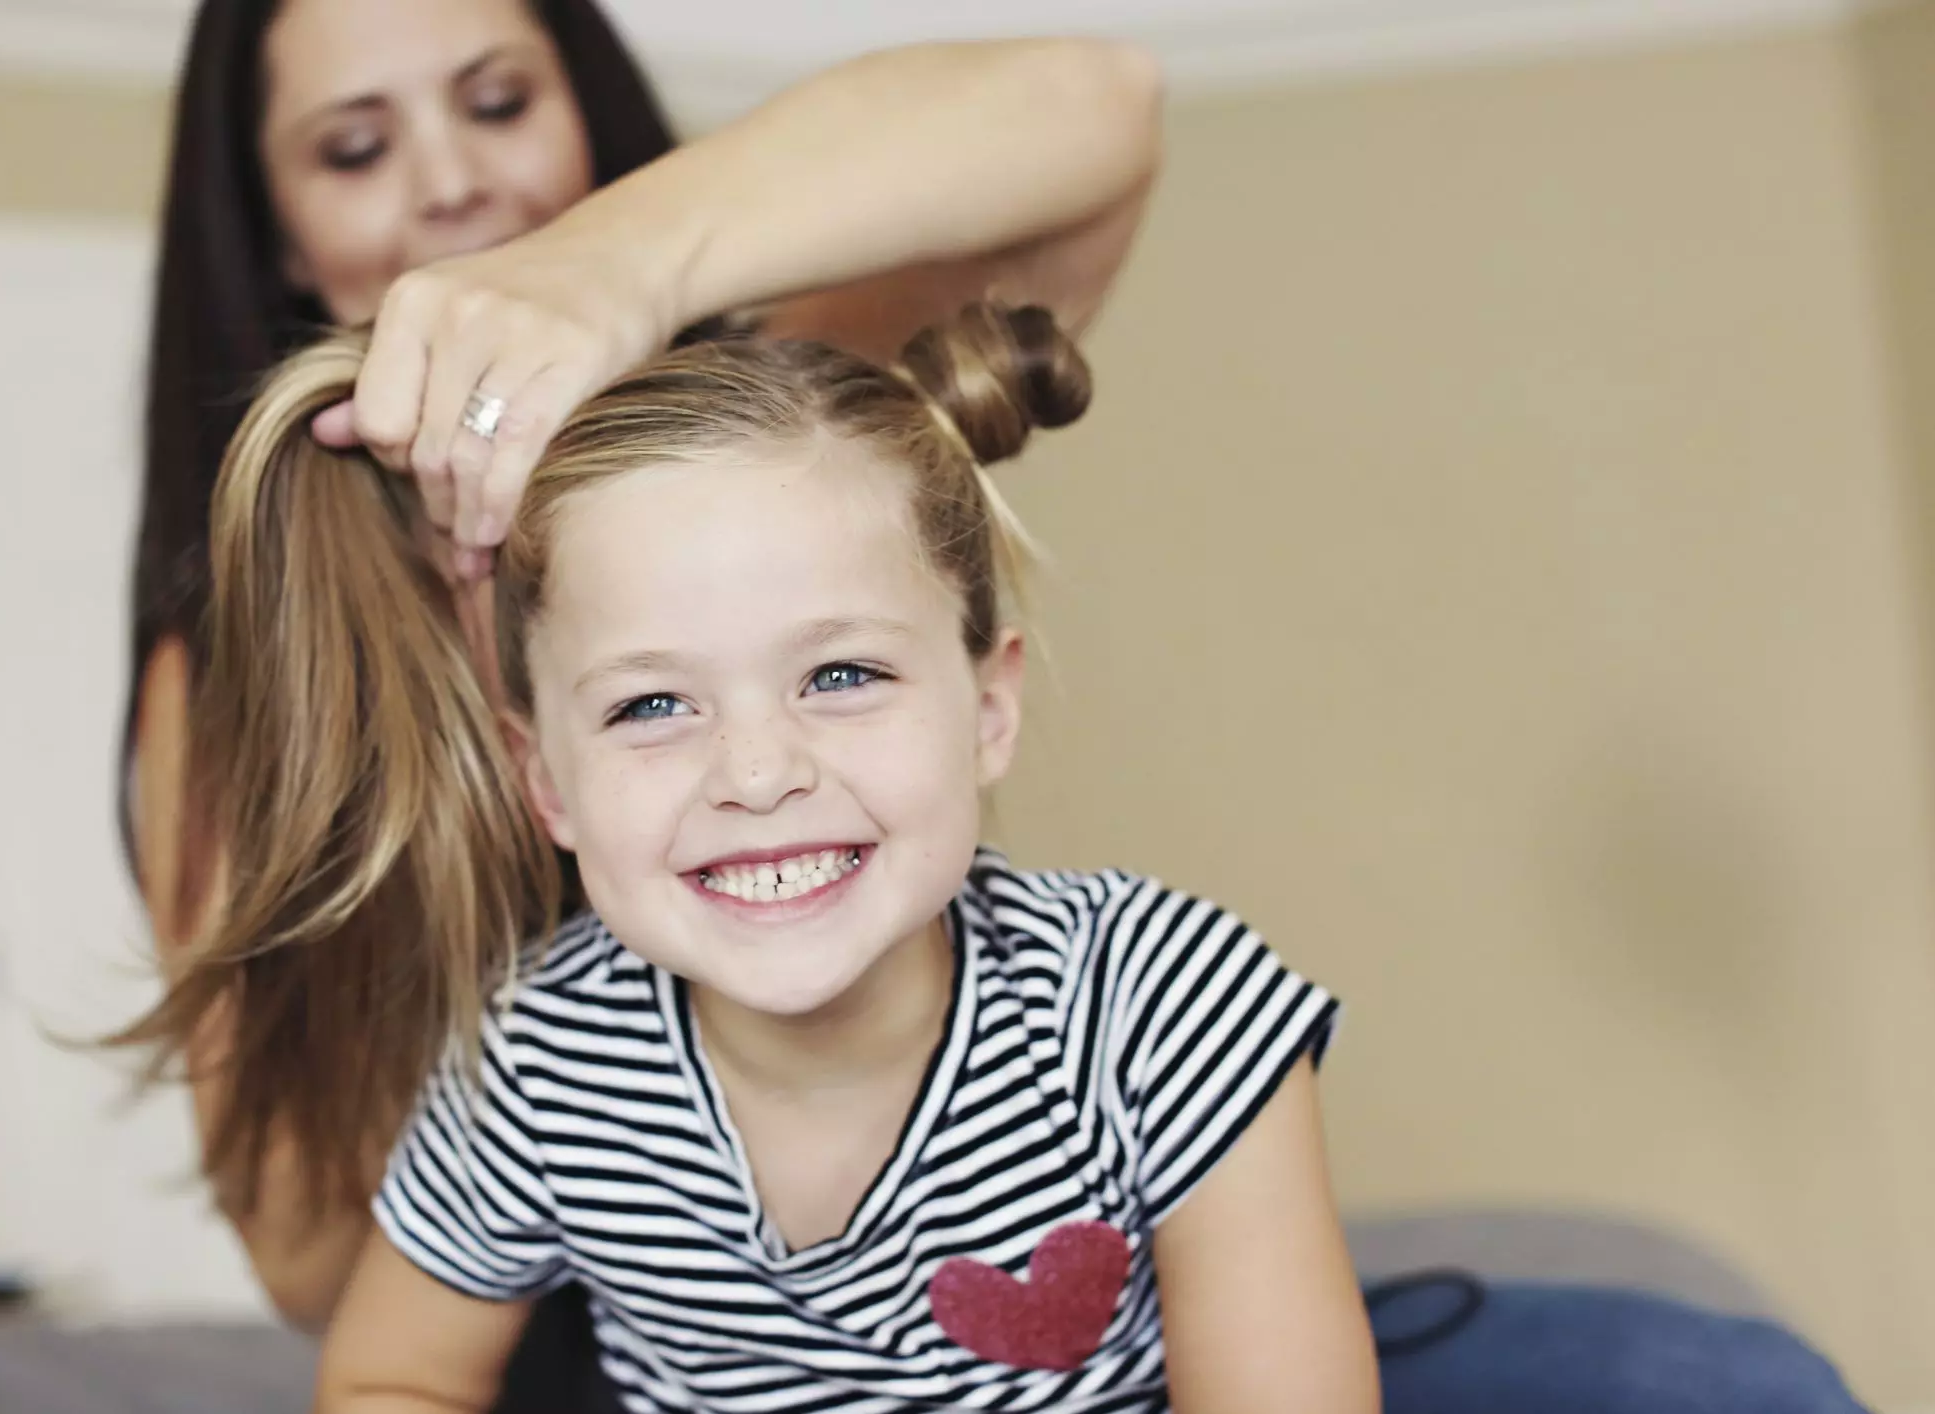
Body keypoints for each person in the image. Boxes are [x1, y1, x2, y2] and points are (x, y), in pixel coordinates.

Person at [120, 1, 1871, 1409]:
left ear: (983, 689)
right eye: (356, 146)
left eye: (499, 100)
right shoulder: (486, 989)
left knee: (1714, 1378)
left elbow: (1090, 102)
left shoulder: (805, 402)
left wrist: (614, 271)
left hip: (1082, 1296)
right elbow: (339, 1297)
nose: (447, 185)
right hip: (623, 1331)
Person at [164, 300, 1385, 1413]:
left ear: (989, 704)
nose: (757, 774)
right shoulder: (538, 1063)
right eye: (652, 706)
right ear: (547, 780)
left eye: (841, 675)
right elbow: (394, 1376)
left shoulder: (1159, 1004)